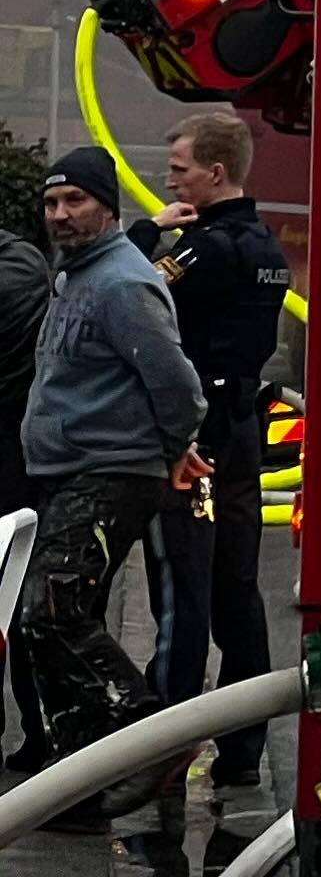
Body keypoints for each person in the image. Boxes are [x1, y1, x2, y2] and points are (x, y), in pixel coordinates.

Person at [22, 142, 204, 829]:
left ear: (107, 207)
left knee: (51, 613)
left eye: (76, 201)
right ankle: (79, 789)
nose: (61, 215)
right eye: (52, 203)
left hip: (111, 475)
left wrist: (169, 449)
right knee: (59, 624)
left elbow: (176, 384)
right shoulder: (77, 276)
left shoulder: (122, 284)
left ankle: (152, 734)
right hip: (73, 474)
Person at [144, 112, 289, 795]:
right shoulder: (266, 247)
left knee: (184, 590)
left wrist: (153, 233)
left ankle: (162, 754)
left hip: (193, 441)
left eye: (180, 167)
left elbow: (139, 292)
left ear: (216, 173)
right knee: (238, 591)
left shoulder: (207, 248)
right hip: (239, 435)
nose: (170, 177)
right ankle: (243, 750)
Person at [0, 137, 49, 772]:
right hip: (20, 453)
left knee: (15, 596)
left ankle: (39, 736)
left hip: (10, 458)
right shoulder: (26, 263)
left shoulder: (13, 269)